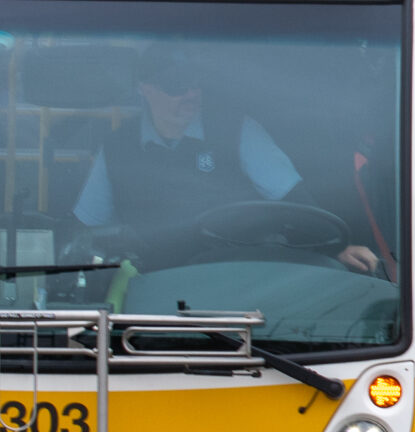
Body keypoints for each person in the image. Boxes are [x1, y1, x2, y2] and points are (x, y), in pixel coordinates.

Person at [73, 43, 384, 275]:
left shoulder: (238, 130)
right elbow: (86, 228)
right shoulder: (116, 147)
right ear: (144, 88)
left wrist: (336, 246)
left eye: (195, 83)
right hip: (154, 288)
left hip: (235, 281)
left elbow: (294, 199)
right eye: (177, 84)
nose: (191, 93)